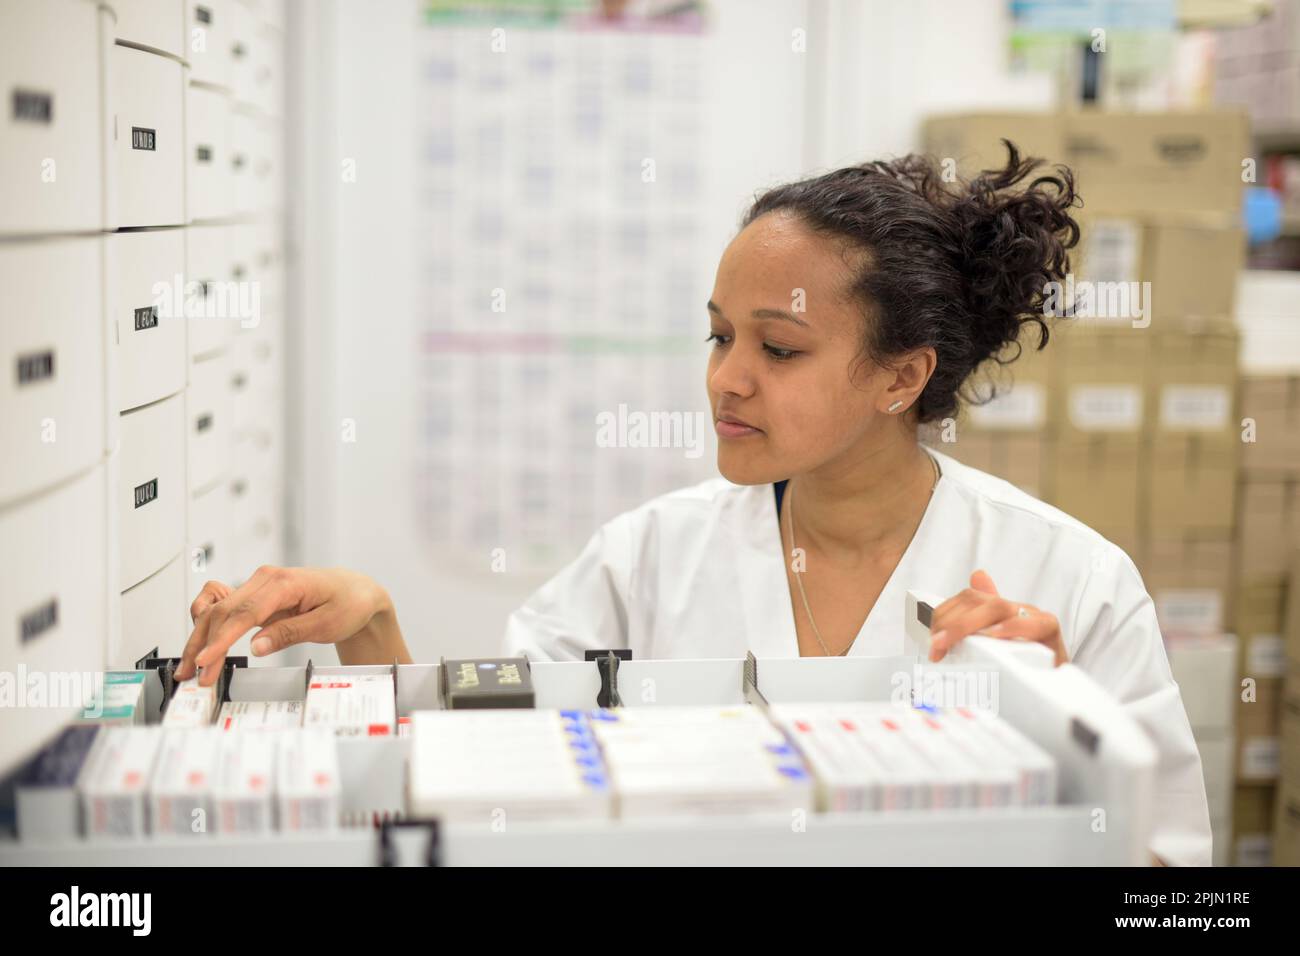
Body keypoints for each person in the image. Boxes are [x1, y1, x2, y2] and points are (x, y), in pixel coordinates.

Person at [177, 143, 1211, 866]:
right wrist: (375, 622)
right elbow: (482, 785)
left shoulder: (1067, 582)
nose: (727, 378)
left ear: (901, 377)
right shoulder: (648, 558)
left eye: (779, 347)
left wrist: (1063, 734)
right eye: (718, 335)